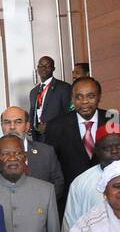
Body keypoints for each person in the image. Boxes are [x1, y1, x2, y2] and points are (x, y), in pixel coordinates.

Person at [44, 77, 110, 205]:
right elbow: (51, 165)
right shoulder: (56, 126)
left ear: (99, 97)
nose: (84, 101)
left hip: (108, 197)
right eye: (79, 97)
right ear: (72, 99)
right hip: (71, 199)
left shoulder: (112, 120)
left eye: (90, 96)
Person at [0, 107, 64, 199]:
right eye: (7, 122)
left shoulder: (46, 152)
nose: (12, 127)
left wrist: (41, 203)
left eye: (18, 122)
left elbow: (57, 183)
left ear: (27, 126)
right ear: (2, 126)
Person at [29, 56, 73, 141]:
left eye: (48, 66)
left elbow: (70, 115)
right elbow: (32, 113)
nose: (44, 69)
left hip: (57, 138)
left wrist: (50, 127)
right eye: (41, 66)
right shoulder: (33, 92)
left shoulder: (64, 88)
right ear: (37, 68)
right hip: (38, 138)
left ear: (53, 68)